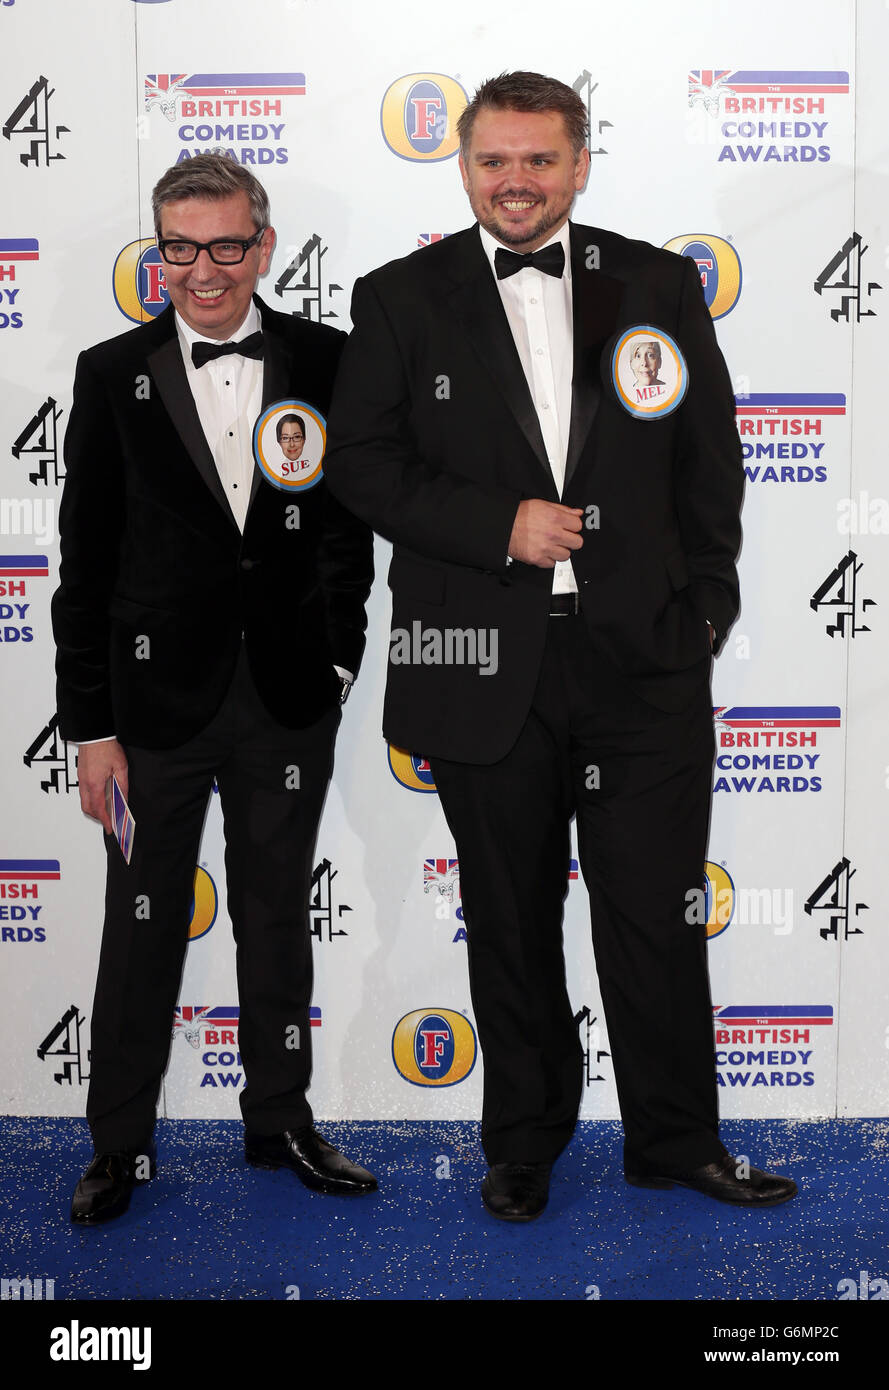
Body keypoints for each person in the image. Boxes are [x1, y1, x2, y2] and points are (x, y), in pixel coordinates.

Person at [325, 72, 796, 1220]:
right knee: (508, 916)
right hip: (474, 660)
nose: (517, 182)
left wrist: (707, 606)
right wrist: (501, 528)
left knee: (654, 914)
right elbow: (361, 466)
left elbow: (708, 456)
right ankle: (524, 1141)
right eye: (494, 161)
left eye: (539, 160)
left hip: (642, 660)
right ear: (463, 166)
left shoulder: (654, 280)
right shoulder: (397, 298)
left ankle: (675, 1140)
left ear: (581, 164)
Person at [52, 153, 376, 1223]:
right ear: (158, 254)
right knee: (141, 923)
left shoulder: (327, 360)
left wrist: (336, 655)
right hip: (153, 715)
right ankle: (120, 1146)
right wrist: (93, 728)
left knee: (277, 916)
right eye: (179, 248)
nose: (203, 271)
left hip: (286, 697)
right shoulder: (111, 374)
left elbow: (344, 532)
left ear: (264, 247)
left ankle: (280, 1119)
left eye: (226, 245)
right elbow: (85, 569)